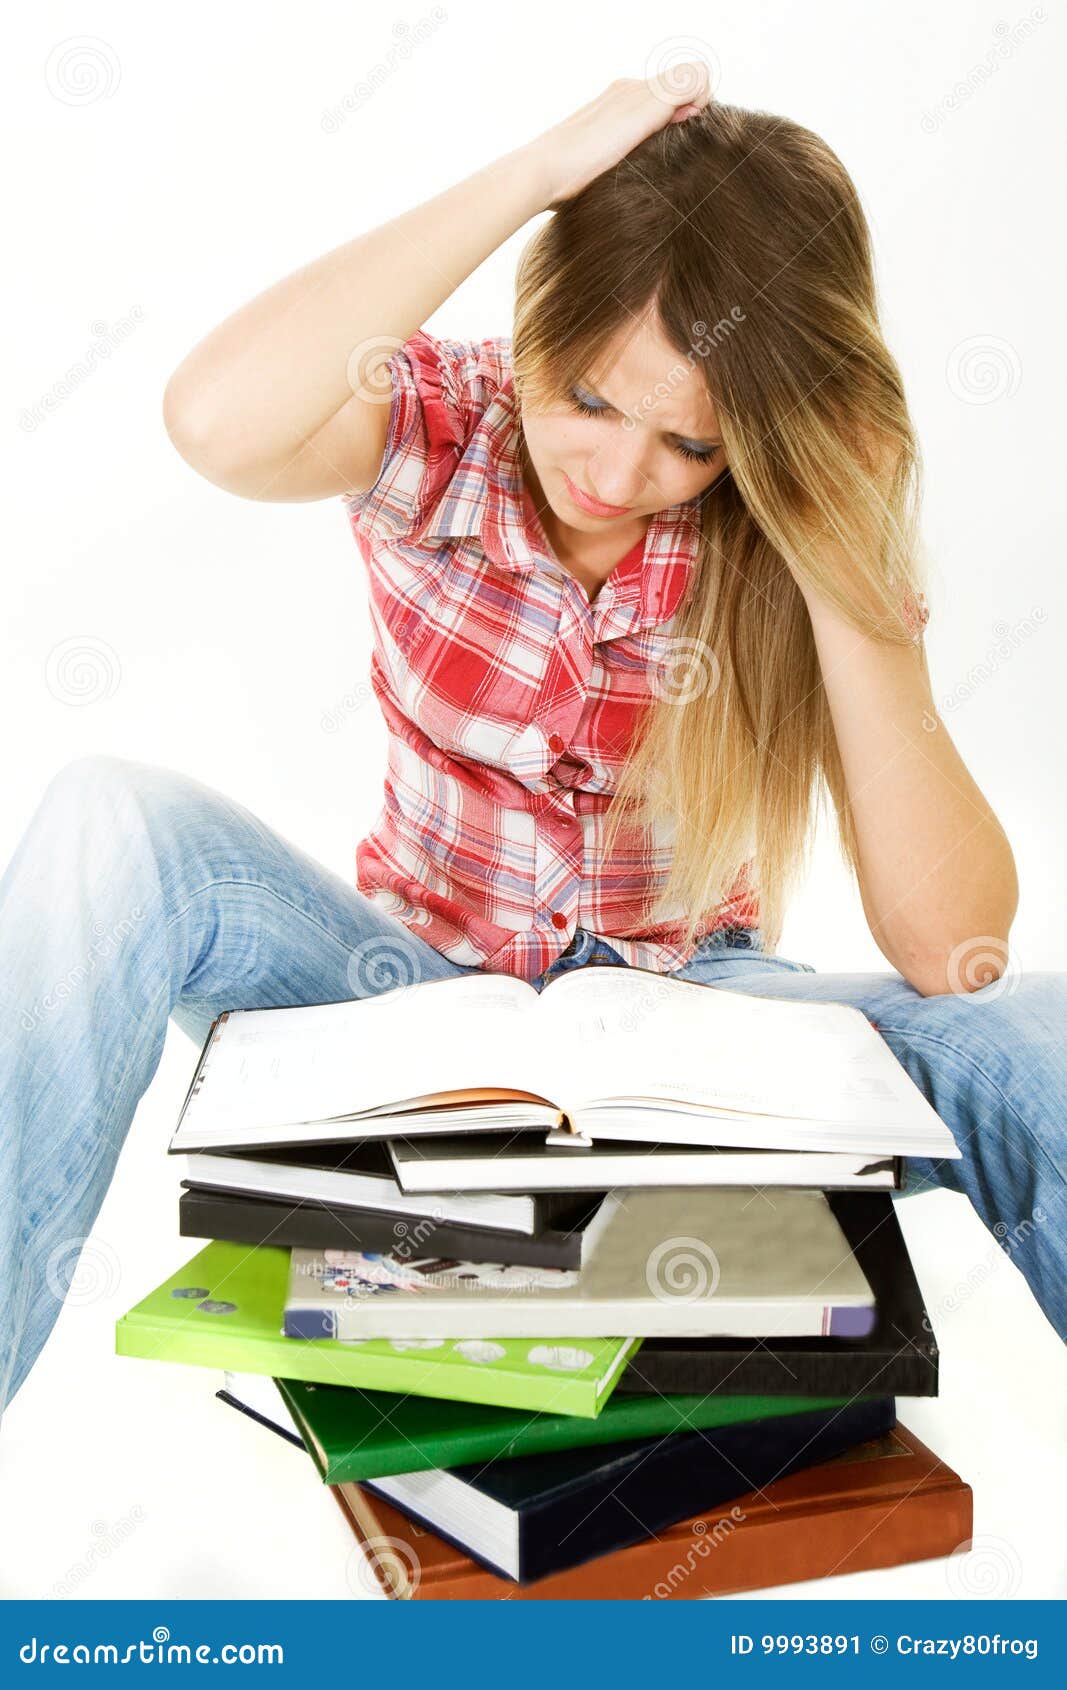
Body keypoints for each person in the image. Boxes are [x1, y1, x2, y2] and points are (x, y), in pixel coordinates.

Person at [1, 67, 1063, 1417]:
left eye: (689, 442)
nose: (617, 476)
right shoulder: (445, 426)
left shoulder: (768, 524)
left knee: (1038, 1024)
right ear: (532, 325)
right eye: (589, 399)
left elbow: (950, 948)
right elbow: (214, 418)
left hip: (687, 1030)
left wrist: (841, 553)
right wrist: (534, 175)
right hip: (389, 997)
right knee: (110, 817)